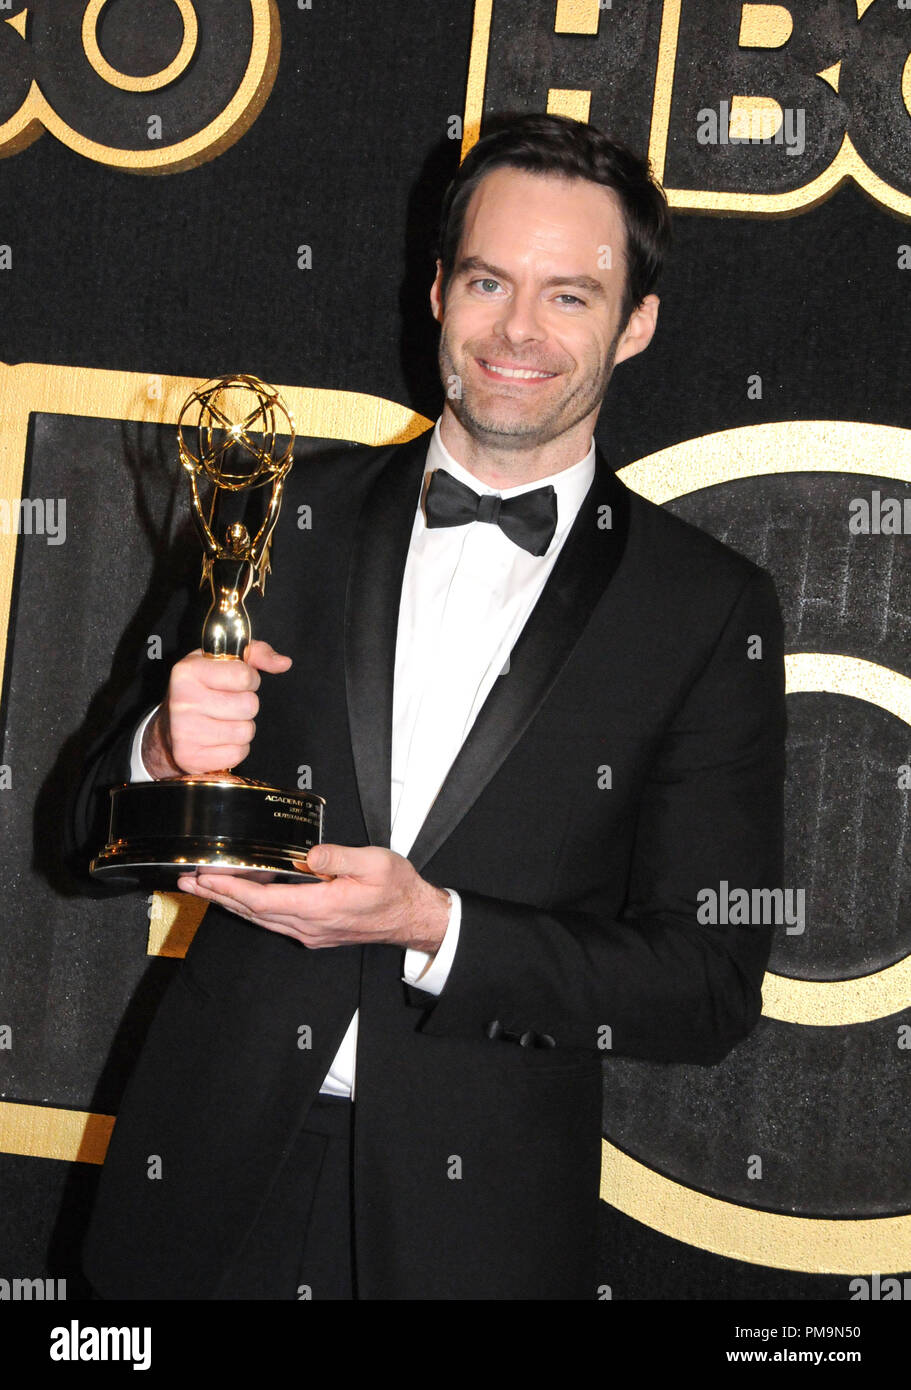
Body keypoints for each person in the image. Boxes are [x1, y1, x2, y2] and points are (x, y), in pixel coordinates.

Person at [79, 113, 786, 1300]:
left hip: (478, 1229)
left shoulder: (705, 609)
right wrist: (159, 751)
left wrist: (434, 927)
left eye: (570, 295)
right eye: (488, 281)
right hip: (200, 1180)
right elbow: (81, 833)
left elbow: (704, 984)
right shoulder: (280, 513)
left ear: (637, 324)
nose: (517, 329)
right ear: (436, 292)